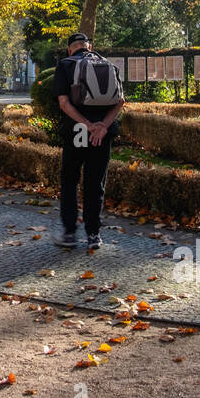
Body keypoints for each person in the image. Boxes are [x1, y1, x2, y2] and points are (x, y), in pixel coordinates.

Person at [52, 33, 125, 250]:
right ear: (90, 47)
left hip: (76, 132)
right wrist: (101, 126)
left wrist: (86, 123)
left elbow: (64, 103)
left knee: (70, 180)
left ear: (70, 49)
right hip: (101, 135)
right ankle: (94, 234)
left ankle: (69, 233)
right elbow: (120, 100)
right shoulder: (109, 65)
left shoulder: (65, 65)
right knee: (95, 183)